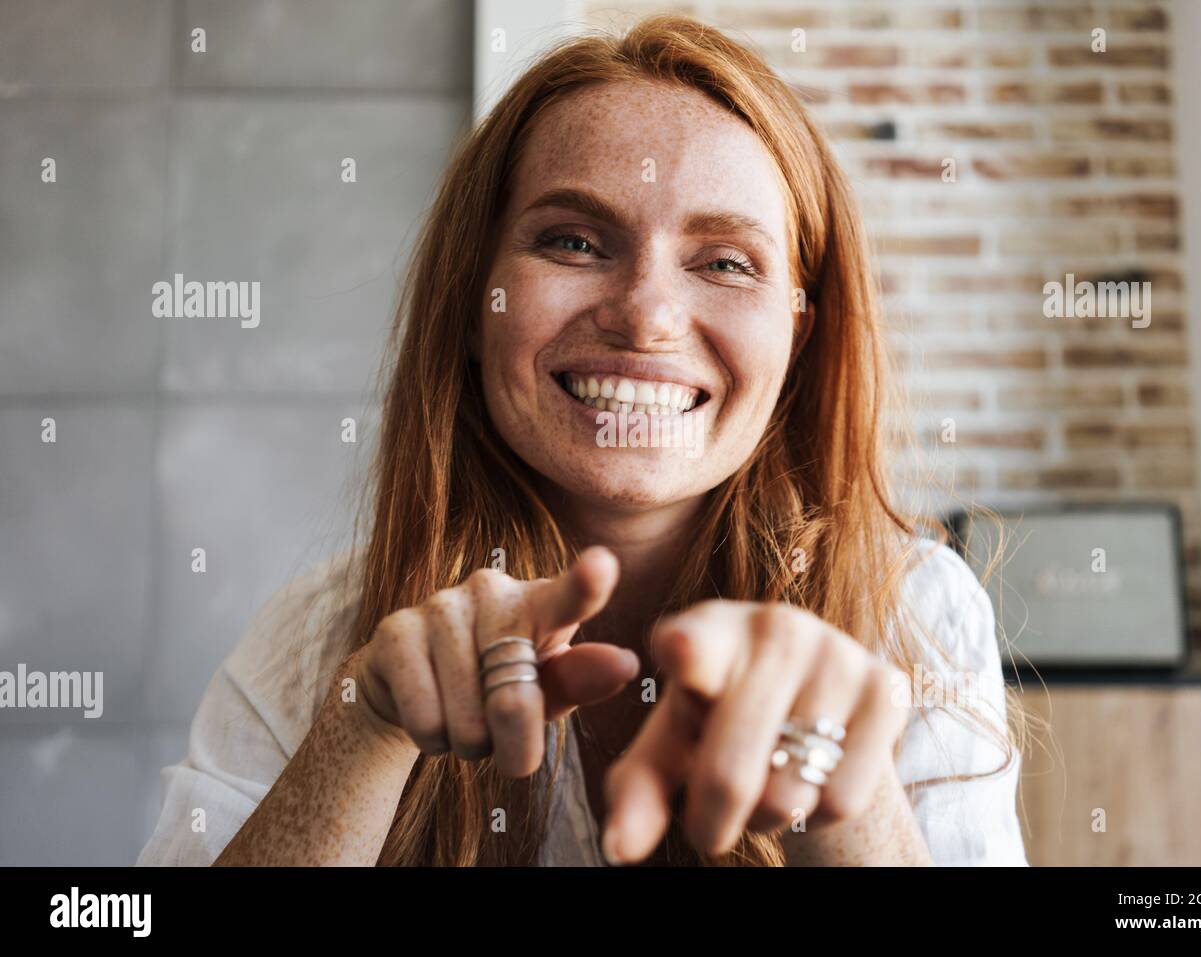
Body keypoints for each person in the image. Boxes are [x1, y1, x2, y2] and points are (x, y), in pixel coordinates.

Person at [137, 15, 1028, 867]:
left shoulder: (913, 614)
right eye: (572, 241)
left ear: (799, 335)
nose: (645, 314)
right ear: (474, 309)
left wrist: (849, 800)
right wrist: (366, 730)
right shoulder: (321, 633)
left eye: (725, 260)